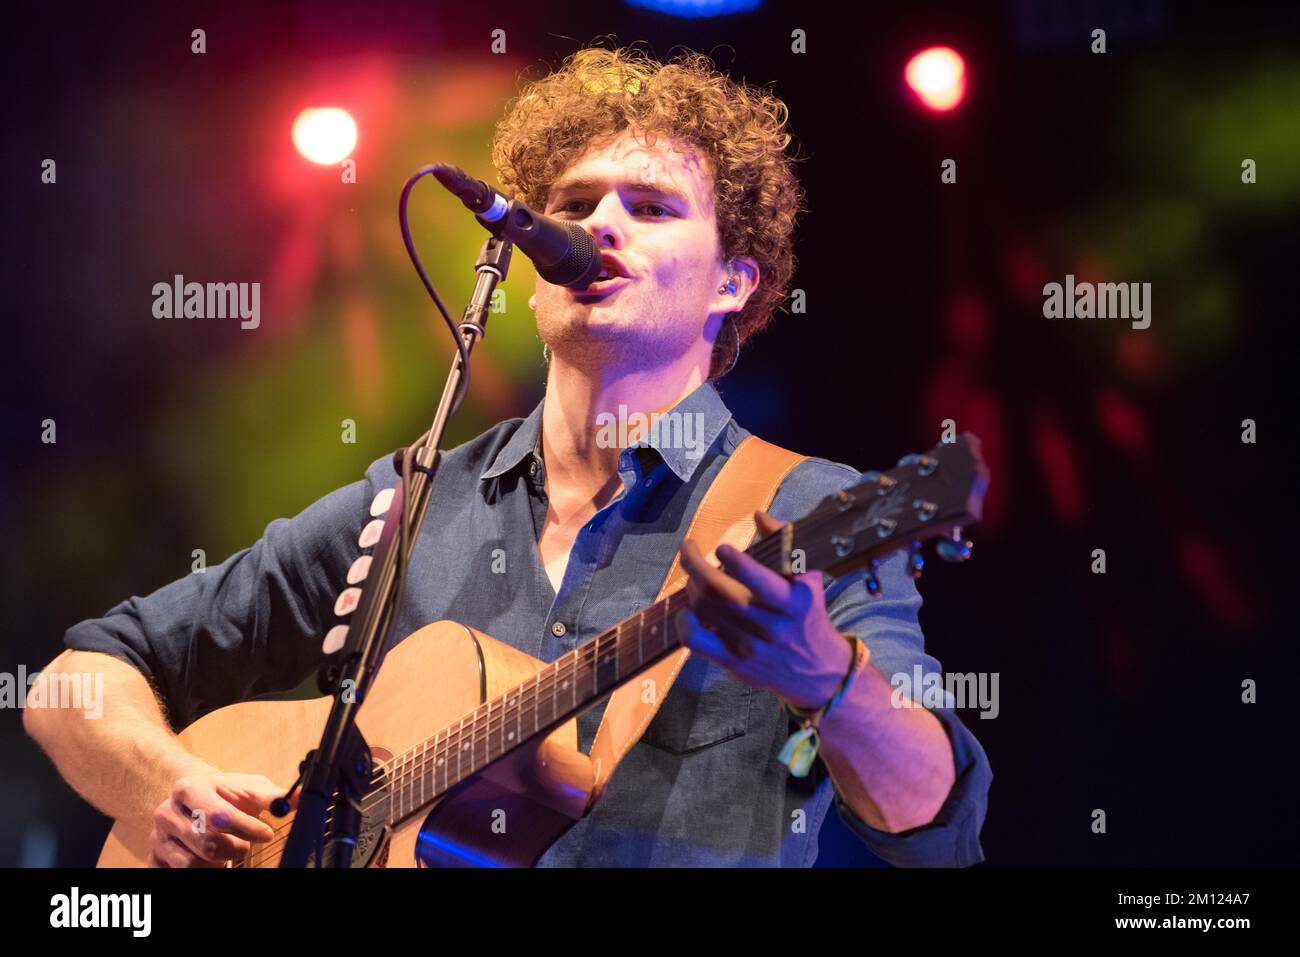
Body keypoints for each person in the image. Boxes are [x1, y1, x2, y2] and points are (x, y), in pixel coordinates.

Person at [24, 46, 991, 867]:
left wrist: (828, 676)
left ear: (733, 282)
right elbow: (77, 678)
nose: (600, 223)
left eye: (651, 207)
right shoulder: (409, 503)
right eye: (575, 202)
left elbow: (939, 823)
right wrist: (171, 784)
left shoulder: (804, 505)